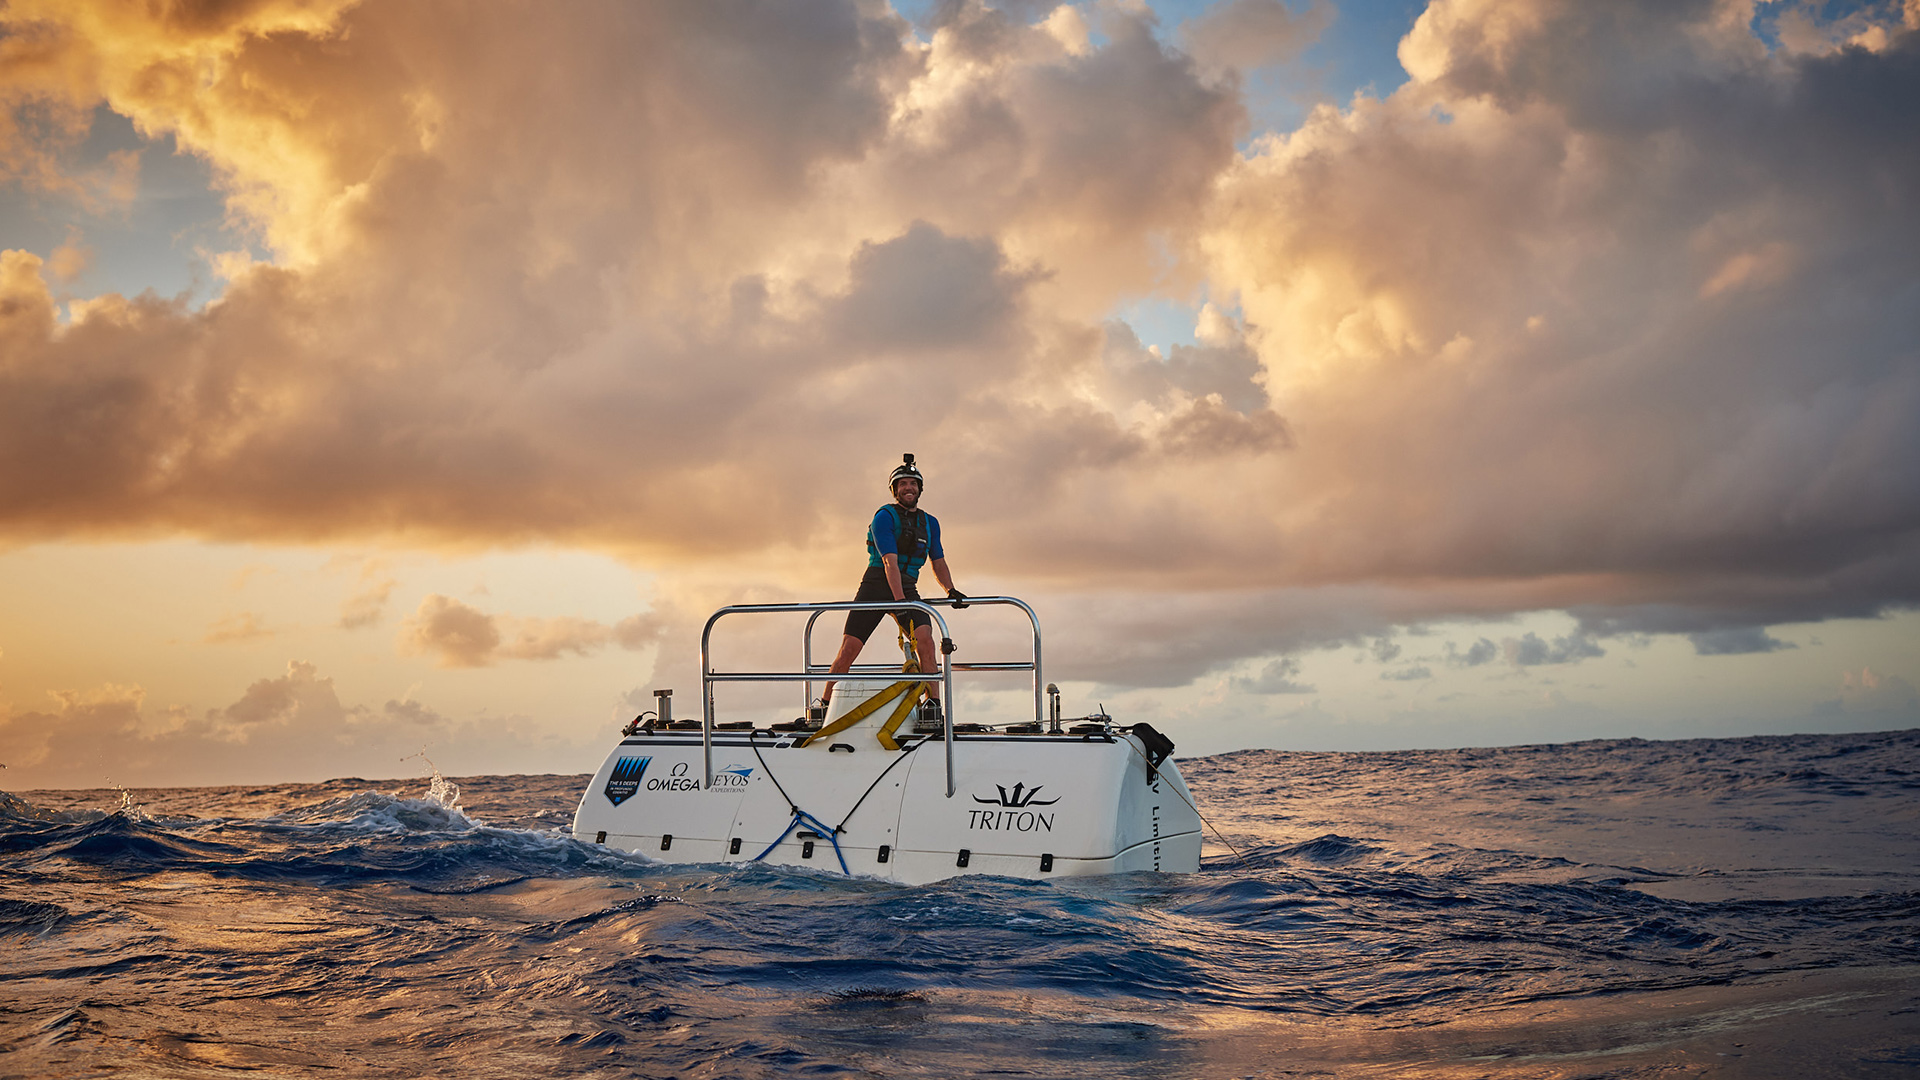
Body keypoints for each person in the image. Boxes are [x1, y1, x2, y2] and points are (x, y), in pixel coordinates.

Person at [813, 453, 967, 726]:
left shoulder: (930, 523)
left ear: (920, 489)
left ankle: (932, 707)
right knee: (849, 648)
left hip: (907, 586)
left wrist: (951, 590)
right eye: (903, 484)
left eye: (913, 484)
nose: (908, 488)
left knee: (926, 640)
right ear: (895, 490)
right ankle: (822, 708)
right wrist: (900, 603)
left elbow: (938, 560)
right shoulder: (884, 517)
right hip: (875, 585)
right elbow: (889, 563)